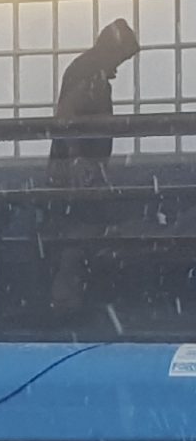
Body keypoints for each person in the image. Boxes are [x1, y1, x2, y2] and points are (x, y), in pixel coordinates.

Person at [46, 19, 140, 315]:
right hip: (78, 172)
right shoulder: (90, 74)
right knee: (78, 234)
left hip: (79, 169)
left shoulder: (87, 70)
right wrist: (78, 160)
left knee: (78, 234)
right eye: (121, 58)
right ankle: (67, 301)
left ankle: (69, 301)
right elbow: (66, 114)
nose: (120, 66)